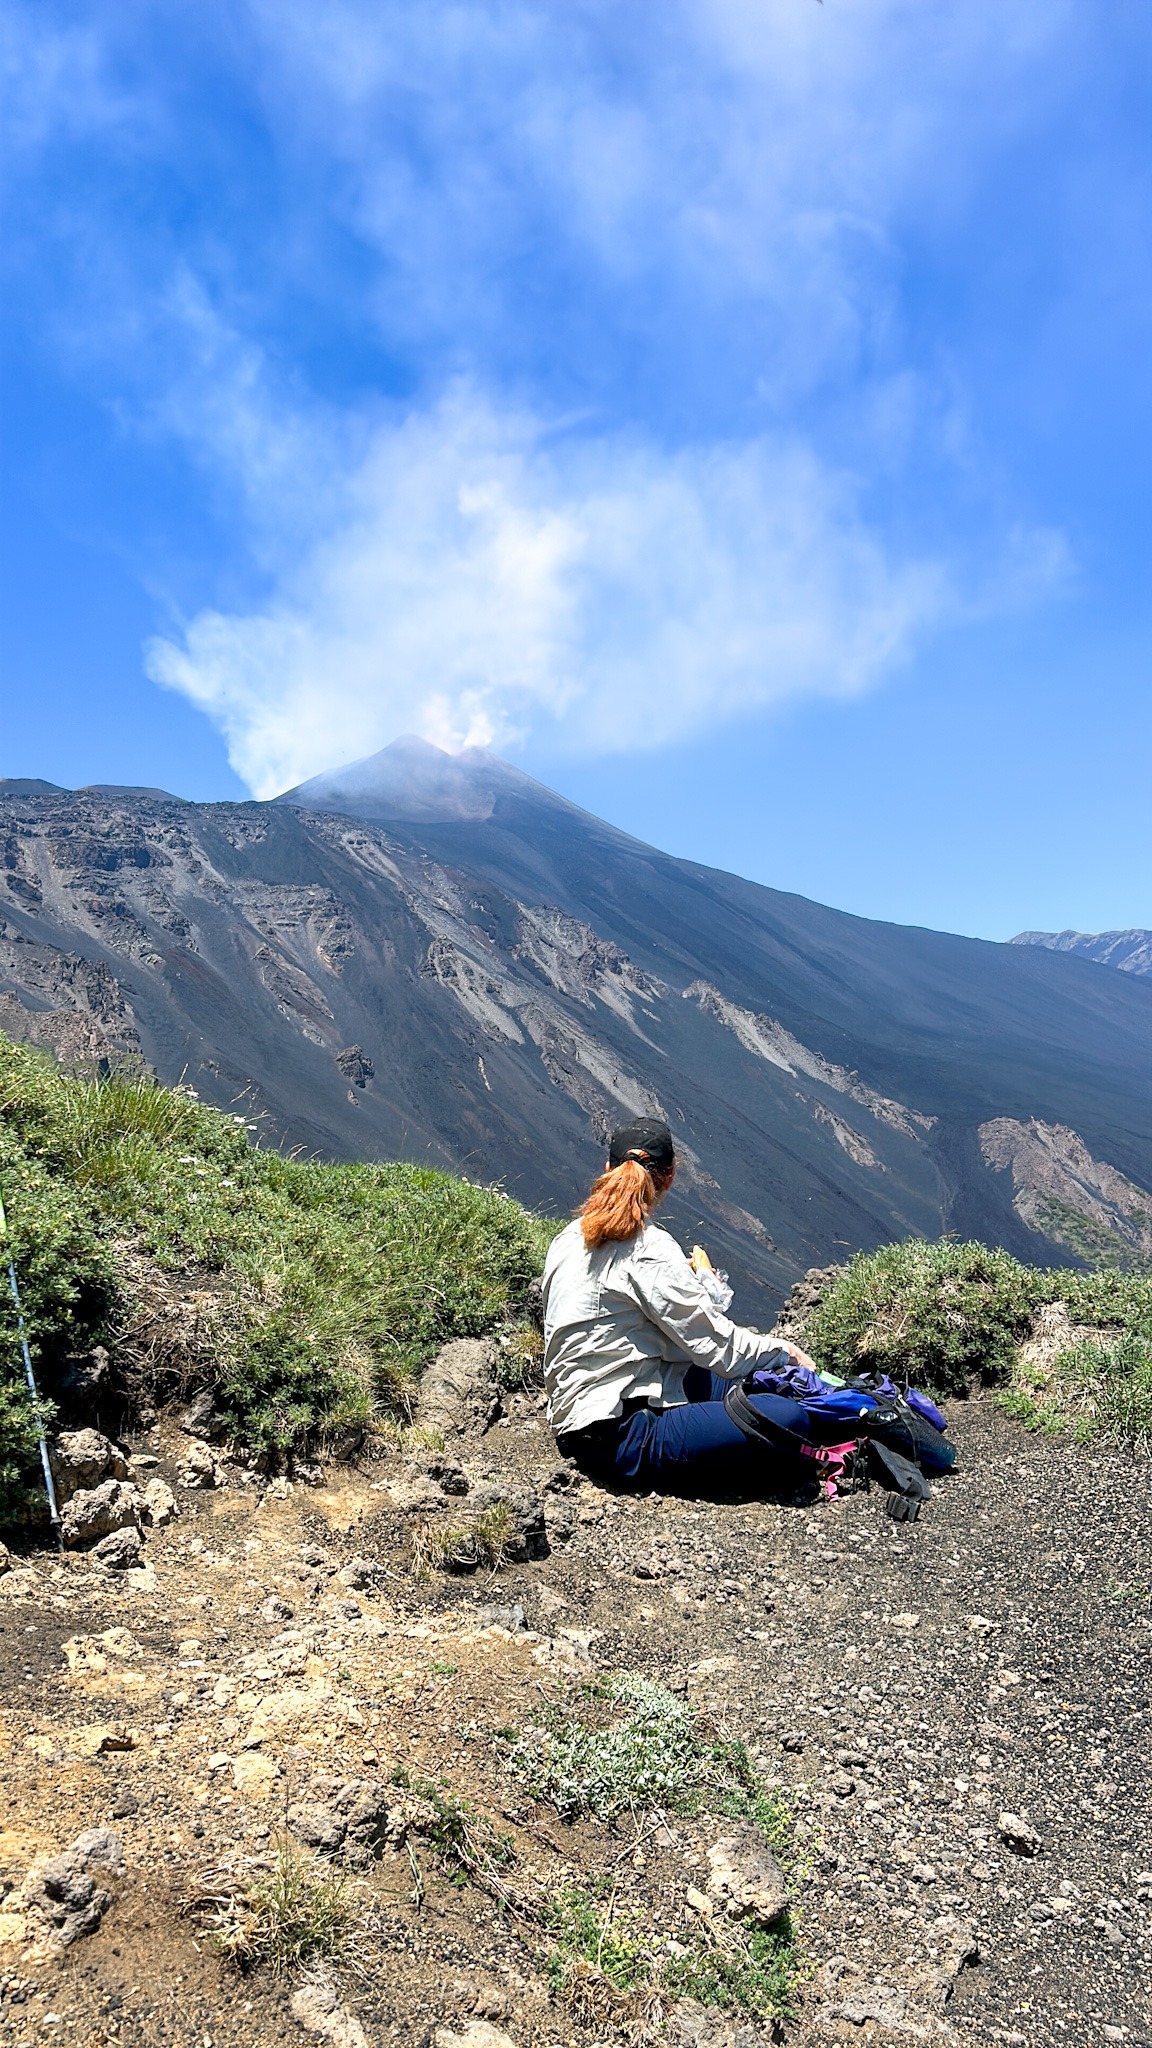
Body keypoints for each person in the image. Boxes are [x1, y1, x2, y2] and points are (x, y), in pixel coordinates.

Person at [541, 1115, 835, 1491]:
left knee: (747, 1384)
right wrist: (786, 1351)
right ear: (670, 1176)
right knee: (785, 1415)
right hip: (620, 1436)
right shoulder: (650, 1248)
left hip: (582, 1414)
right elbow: (719, 1348)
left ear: (607, 1169)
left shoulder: (567, 1239)